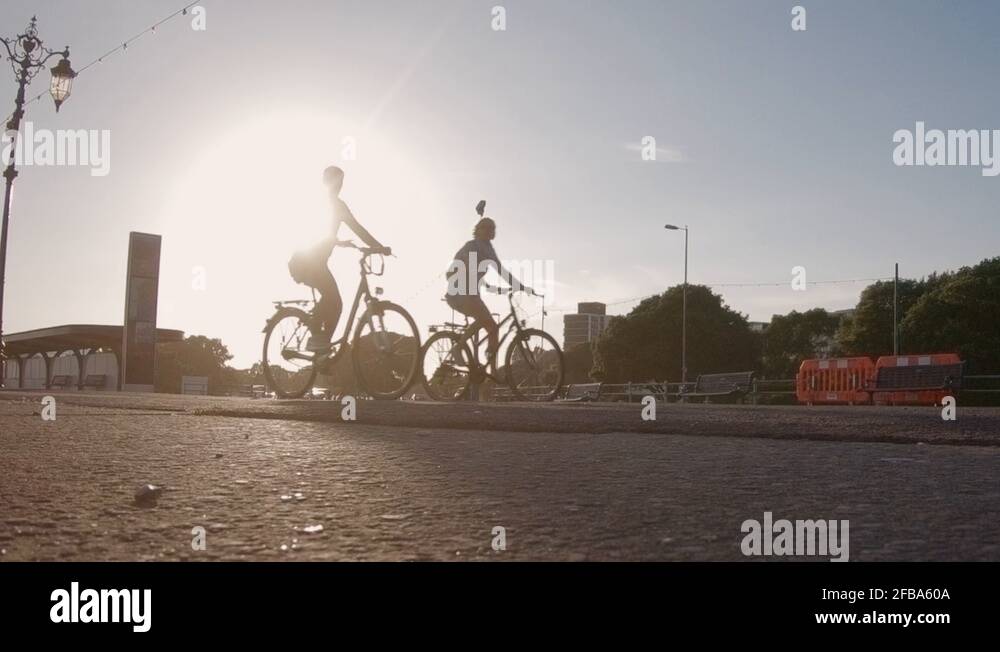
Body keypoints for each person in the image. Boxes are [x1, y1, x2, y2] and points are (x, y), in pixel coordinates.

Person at [288, 166, 389, 352]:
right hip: (308, 263)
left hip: (310, 262)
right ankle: (318, 339)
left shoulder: (330, 204)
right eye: (337, 181)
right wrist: (378, 246)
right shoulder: (329, 205)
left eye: (341, 182)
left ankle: (321, 348)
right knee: (334, 300)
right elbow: (351, 229)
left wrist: (339, 242)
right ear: (327, 183)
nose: (340, 186)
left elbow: (330, 232)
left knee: (333, 302)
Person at [444, 213, 531, 370]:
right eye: (489, 227)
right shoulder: (472, 246)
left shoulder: (488, 248)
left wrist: (519, 285)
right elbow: (456, 272)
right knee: (487, 321)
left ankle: (490, 371)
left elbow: (500, 269)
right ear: (479, 230)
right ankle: (459, 348)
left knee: (492, 327)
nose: (492, 230)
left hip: (470, 293)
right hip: (458, 293)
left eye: (494, 228)